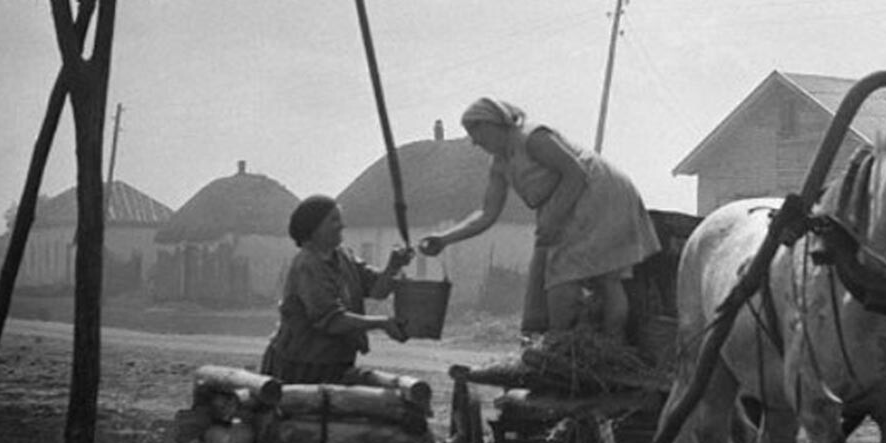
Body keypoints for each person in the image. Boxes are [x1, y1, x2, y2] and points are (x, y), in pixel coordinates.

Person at [419, 98, 660, 338]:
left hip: (598, 190)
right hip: (573, 198)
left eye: (475, 130)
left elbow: (575, 172)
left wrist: (554, 219)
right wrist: (444, 239)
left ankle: (584, 343)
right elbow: (487, 214)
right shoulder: (500, 163)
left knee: (579, 273)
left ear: (494, 123)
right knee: (573, 273)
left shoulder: (532, 138)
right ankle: (569, 344)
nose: (474, 141)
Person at [261, 195, 414, 384]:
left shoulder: (343, 256)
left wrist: (393, 266)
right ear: (314, 227)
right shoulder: (308, 264)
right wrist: (382, 323)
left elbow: (376, 290)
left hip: (335, 363)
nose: (341, 226)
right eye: (333, 220)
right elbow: (332, 320)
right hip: (301, 366)